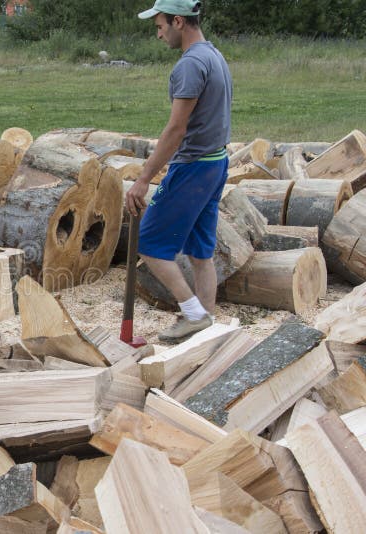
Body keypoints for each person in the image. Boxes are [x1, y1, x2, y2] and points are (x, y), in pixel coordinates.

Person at [126, 0, 233, 342]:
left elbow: (176, 130)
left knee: (149, 242)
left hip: (193, 168)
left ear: (178, 21)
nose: (158, 34)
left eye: (160, 26)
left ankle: (193, 314)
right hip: (216, 162)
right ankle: (207, 325)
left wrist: (143, 179)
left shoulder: (190, 65)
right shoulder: (214, 55)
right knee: (201, 252)